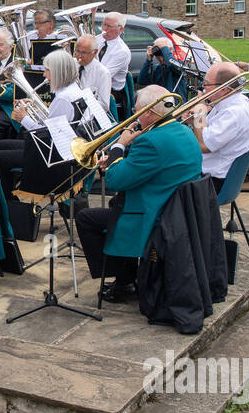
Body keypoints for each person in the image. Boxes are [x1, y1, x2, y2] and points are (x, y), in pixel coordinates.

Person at [74, 85, 202, 303]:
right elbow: (151, 167)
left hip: (153, 213)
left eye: (136, 110)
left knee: (87, 218)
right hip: (175, 207)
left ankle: (125, 281)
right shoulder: (182, 130)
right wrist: (123, 160)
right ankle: (128, 276)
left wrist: (120, 146)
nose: (134, 114)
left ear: (149, 113)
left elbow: (115, 180)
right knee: (113, 205)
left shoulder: (150, 141)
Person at [0, 49, 85, 199]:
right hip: (55, 148)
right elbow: (55, 121)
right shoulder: (73, 90)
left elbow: (46, 134)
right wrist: (31, 107)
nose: (44, 75)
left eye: (47, 70)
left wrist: (24, 118)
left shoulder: (63, 98)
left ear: (58, 72)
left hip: (49, 155)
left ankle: (9, 201)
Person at [190, 61, 249, 191]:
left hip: (213, 181)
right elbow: (207, 133)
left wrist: (199, 114)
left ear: (224, 88)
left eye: (207, 84)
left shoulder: (233, 112)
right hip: (215, 174)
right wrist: (195, 121)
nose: (203, 88)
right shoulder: (231, 104)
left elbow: (203, 146)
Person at [97, 12, 131, 115]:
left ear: (120, 30)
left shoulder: (122, 51)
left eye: (109, 26)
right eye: (104, 24)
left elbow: (103, 76)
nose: (104, 29)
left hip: (112, 94)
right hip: (96, 89)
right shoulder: (98, 40)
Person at [74, 34, 110, 105]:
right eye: (78, 51)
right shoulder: (71, 64)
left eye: (84, 53)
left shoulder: (103, 73)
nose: (79, 56)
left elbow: (103, 104)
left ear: (95, 52)